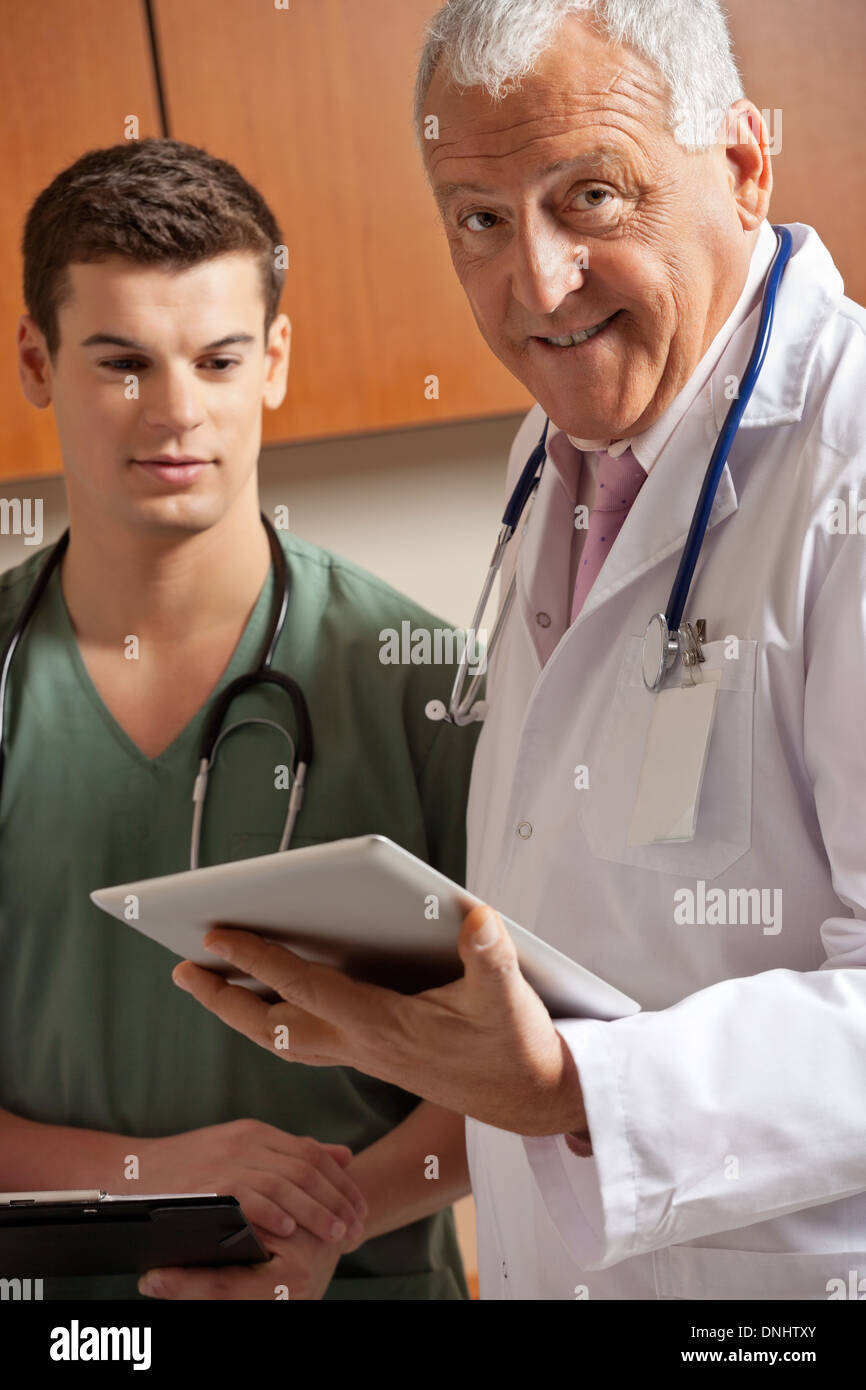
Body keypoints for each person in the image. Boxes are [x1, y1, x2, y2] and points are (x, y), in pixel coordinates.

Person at [166, 0, 866, 1303]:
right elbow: (593, 927)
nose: (534, 283)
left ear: (742, 162)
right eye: (478, 218)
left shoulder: (844, 472)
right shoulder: (557, 460)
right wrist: (418, 1062)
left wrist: (562, 1085)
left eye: (589, 196)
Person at [0, 137, 479, 1300]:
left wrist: (324, 1218)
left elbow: (533, 1064)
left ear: (273, 360)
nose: (175, 413)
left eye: (216, 360)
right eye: (122, 363)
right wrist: (145, 1176)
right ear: (35, 363)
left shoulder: (421, 680)